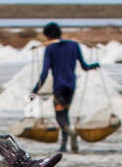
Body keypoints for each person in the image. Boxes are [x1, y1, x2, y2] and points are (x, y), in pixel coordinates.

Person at [32, 22, 99, 153]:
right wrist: (94, 65)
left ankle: (71, 134)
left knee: (60, 117)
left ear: (49, 36)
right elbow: (85, 66)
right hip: (71, 86)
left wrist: (34, 91)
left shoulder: (50, 49)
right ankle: (64, 145)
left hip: (59, 87)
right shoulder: (74, 45)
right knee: (65, 115)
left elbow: (45, 73)